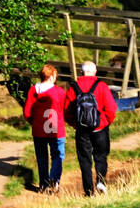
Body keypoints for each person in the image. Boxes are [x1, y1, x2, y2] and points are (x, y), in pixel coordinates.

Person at [65, 60, 117, 197]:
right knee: (101, 156)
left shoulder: (73, 87)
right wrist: (105, 122)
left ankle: (88, 192)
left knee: (85, 161)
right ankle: (100, 181)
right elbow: (111, 108)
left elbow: (66, 111)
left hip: (82, 131)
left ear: (81, 72)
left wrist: (76, 125)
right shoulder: (102, 86)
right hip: (100, 128)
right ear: (95, 72)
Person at [23, 63, 68, 193]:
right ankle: (54, 179)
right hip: (55, 129)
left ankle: (44, 184)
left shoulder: (33, 91)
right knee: (58, 155)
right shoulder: (59, 92)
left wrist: (35, 121)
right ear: (52, 76)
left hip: (39, 130)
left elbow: (27, 112)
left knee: (42, 157)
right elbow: (65, 109)